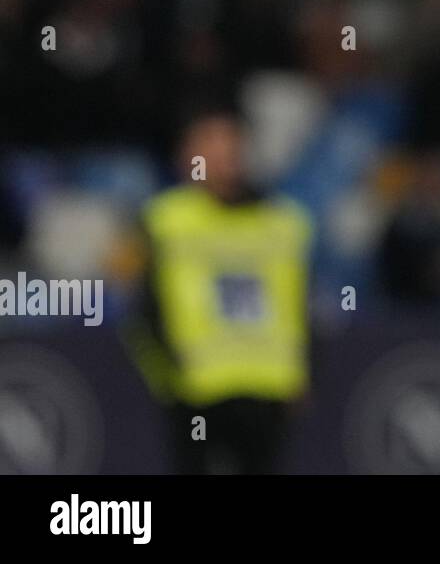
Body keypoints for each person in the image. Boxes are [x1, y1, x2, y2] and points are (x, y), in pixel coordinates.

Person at [126, 103, 313, 474]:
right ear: (186, 156)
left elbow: (303, 304)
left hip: (268, 389)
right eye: (208, 144)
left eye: (230, 144)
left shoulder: (283, 221)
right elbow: (142, 310)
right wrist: (168, 378)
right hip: (196, 391)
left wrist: (302, 374)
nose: (223, 155)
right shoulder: (165, 219)